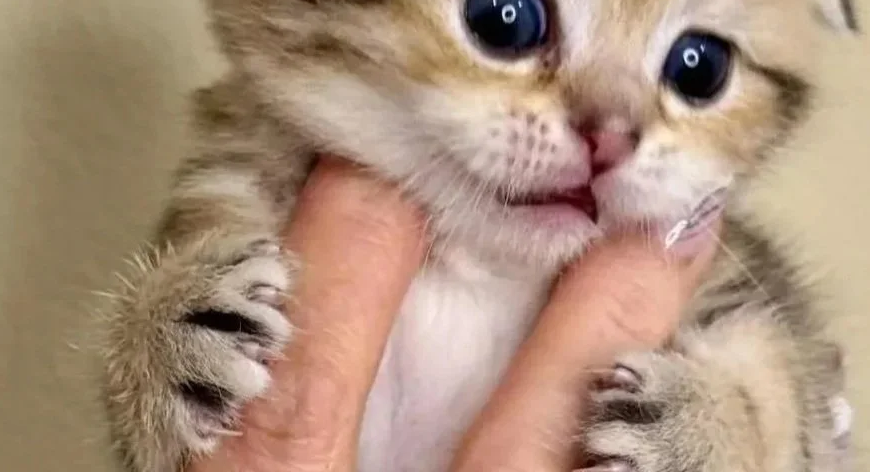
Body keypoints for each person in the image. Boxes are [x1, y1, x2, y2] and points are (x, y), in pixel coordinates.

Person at [191, 160, 717, 472]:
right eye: (503, 23)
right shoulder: (245, 184)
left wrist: (718, 427)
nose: (609, 141)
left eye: (695, 72)